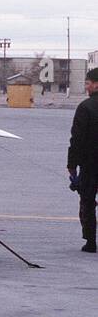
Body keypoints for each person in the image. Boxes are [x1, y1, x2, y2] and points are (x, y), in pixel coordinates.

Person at [67, 67, 98, 253]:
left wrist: (72, 165)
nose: (86, 87)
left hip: (90, 164)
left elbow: (76, 139)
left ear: (96, 84)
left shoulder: (85, 107)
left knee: (87, 202)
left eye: (87, 83)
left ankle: (90, 241)